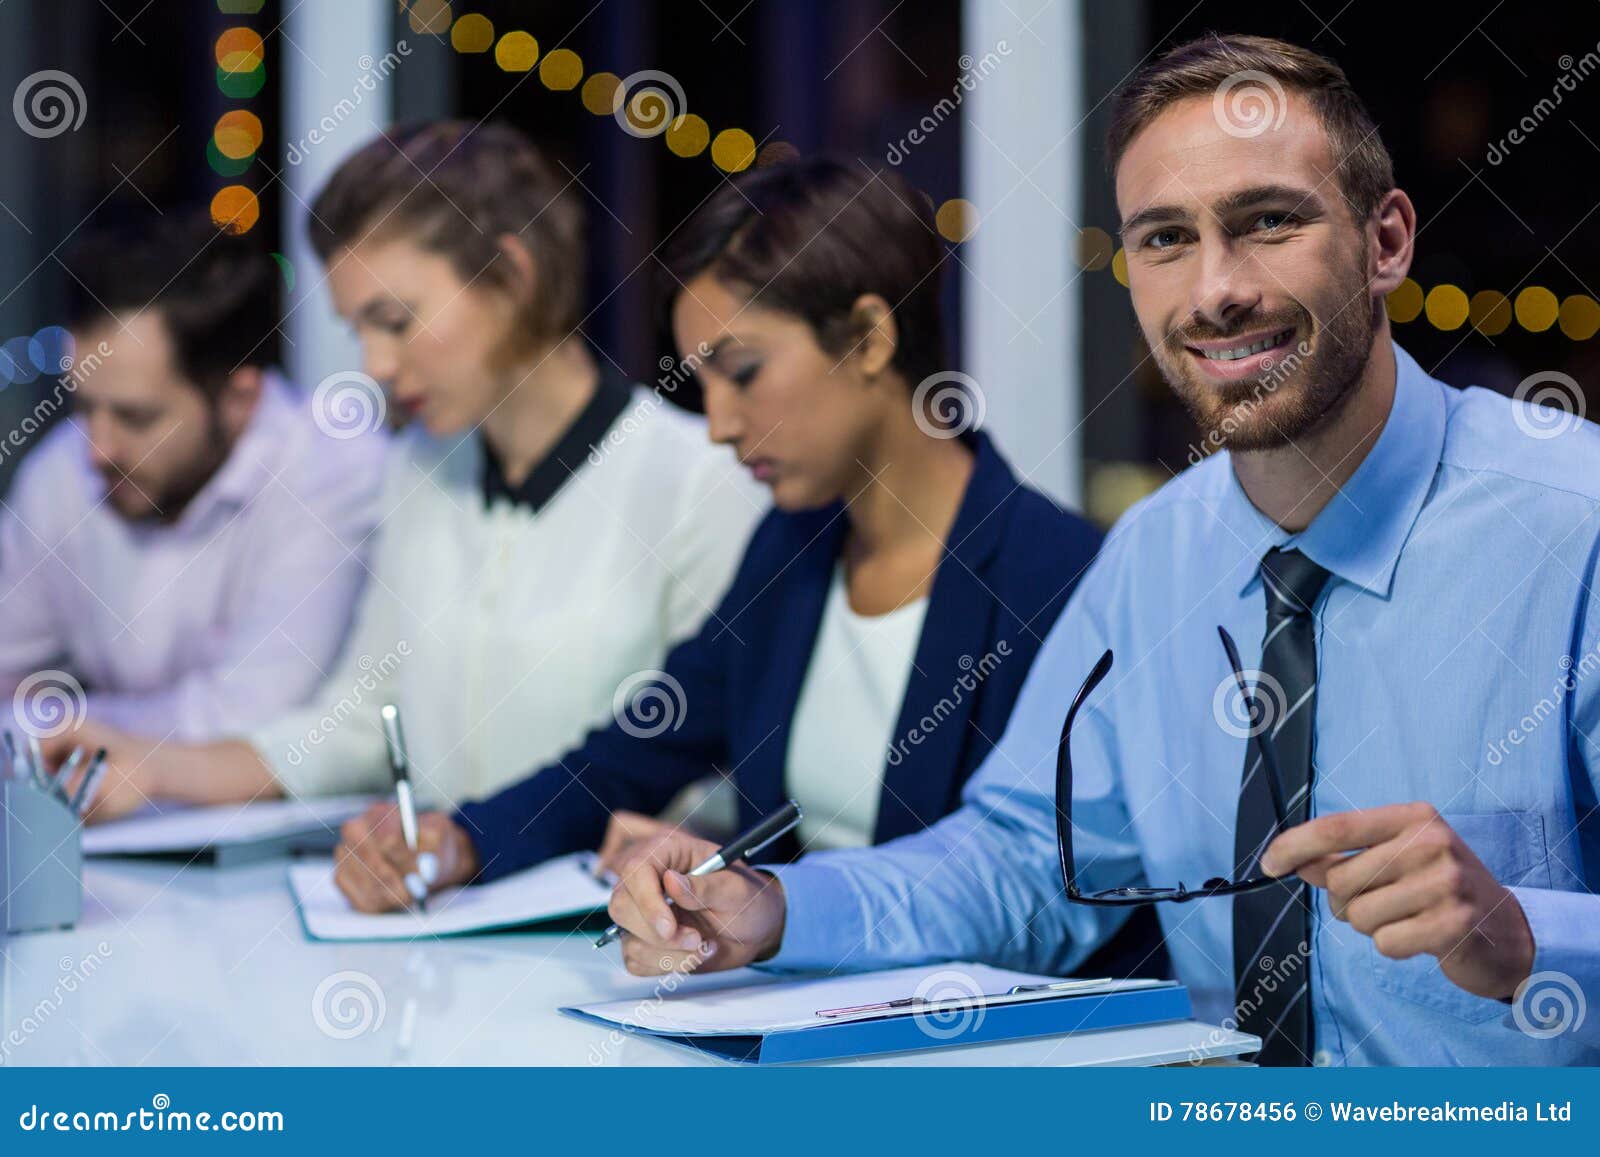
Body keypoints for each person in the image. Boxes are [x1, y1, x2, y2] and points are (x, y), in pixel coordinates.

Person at [601, 35, 1600, 1067]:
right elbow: (1022, 862)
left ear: (1386, 240)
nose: (1215, 290)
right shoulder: (1152, 557)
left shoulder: (1578, 527)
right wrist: (771, 908)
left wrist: (1534, 937)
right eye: (1165, 239)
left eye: (1267, 222)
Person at [327, 158, 1141, 975]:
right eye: (704, 380)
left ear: (868, 337)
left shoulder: (1058, 574)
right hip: (787, 1021)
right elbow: (635, 750)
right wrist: (462, 838)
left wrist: (767, 890)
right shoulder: (792, 550)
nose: (717, 424)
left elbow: (1018, 888)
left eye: (743, 373)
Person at [47, 121, 763, 820]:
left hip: (620, 931)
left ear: (512, 276)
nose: (376, 367)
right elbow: (357, 724)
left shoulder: (700, 481)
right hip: (444, 927)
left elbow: (722, 777)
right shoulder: (420, 469)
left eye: (395, 320)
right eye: (358, 330)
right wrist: (151, 763)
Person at [0, 213, 384, 741]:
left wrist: (58, 729)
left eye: (137, 418)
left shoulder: (333, 469)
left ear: (240, 397)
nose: (98, 448)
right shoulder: (59, 471)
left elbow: (249, 717)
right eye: (85, 407)